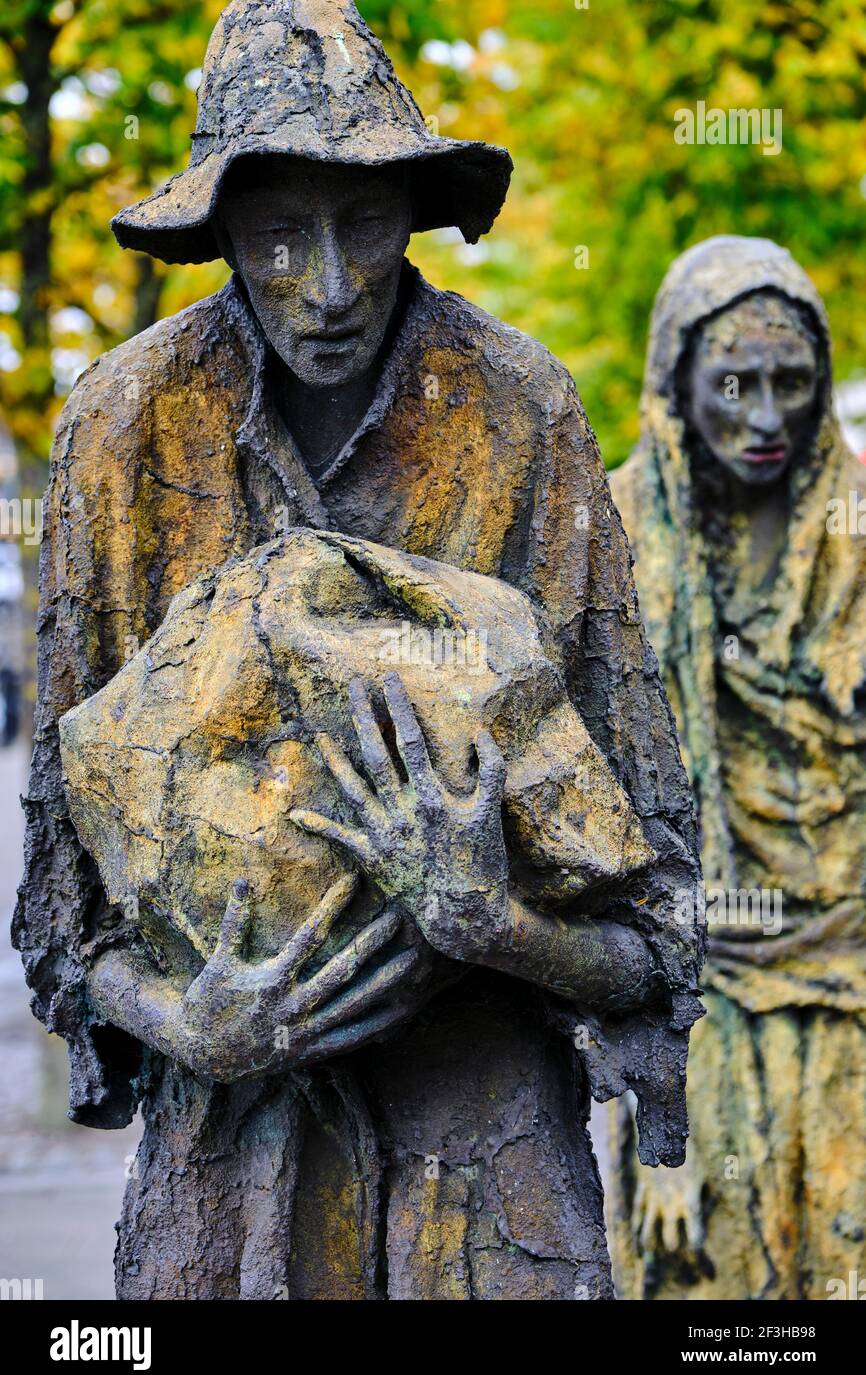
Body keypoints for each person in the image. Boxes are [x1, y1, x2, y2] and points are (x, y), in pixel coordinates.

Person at [14, 0, 702, 1299]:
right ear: (221, 228)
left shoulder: (521, 413)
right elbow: (67, 901)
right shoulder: (121, 433)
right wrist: (184, 1020)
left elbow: (657, 914)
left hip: (489, 1167)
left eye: (366, 226)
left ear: (413, 214)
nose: (327, 285)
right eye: (278, 233)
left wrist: (493, 922)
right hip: (228, 1177)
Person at [609, 235, 866, 1300]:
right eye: (732, 384)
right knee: (696, 1280)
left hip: (851, 980)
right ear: (675, 382)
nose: (764, 418)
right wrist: (662, 1124)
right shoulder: (614, 533)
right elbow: (603, 839)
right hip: (694, 998)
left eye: (789, 384)